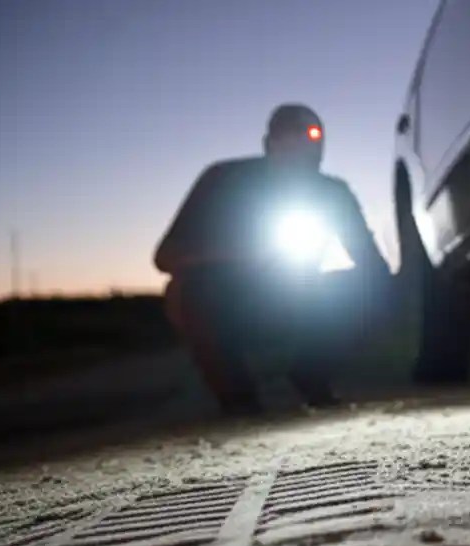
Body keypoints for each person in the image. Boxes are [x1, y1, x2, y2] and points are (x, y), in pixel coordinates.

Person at [155, 104, 390, 415]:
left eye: (310, 144)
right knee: (189, 290)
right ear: (269, 146)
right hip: (230, 297)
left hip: (298, 294)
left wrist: (381, 286)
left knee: (376, 284)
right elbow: (164, 256)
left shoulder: (333, 193)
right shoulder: (222, 179)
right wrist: (235, 255)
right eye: (289, 143)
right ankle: (238, 398)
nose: (301, 155)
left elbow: (370, 264)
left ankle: (312, 373)